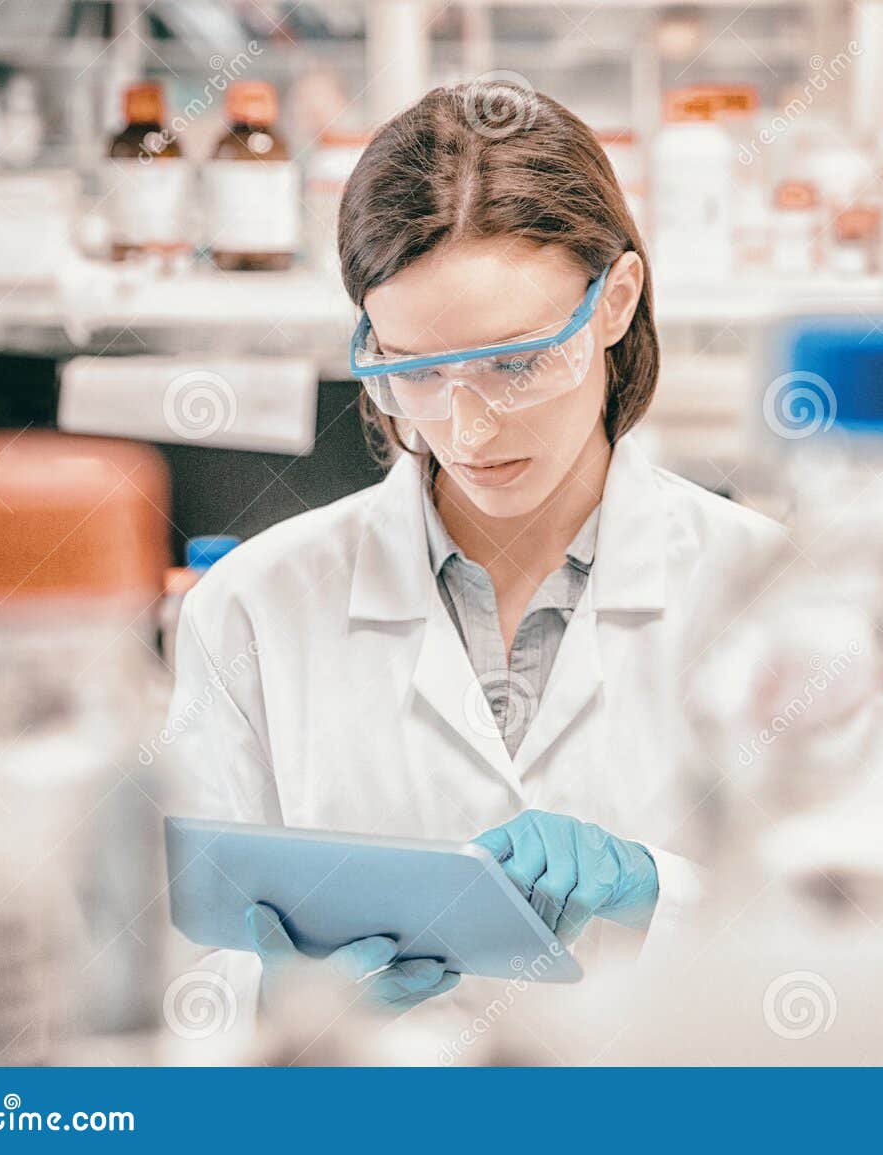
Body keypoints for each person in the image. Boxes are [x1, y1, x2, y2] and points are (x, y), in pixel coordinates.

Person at [170, 81, 784, 1018]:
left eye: (517, 361)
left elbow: (868, 958)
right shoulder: (252, 605)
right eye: (415, 371)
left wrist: (665, 897)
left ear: (615, 301)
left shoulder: (768, 593)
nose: (467, 427)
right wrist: (275, 1008)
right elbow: (175, 965)